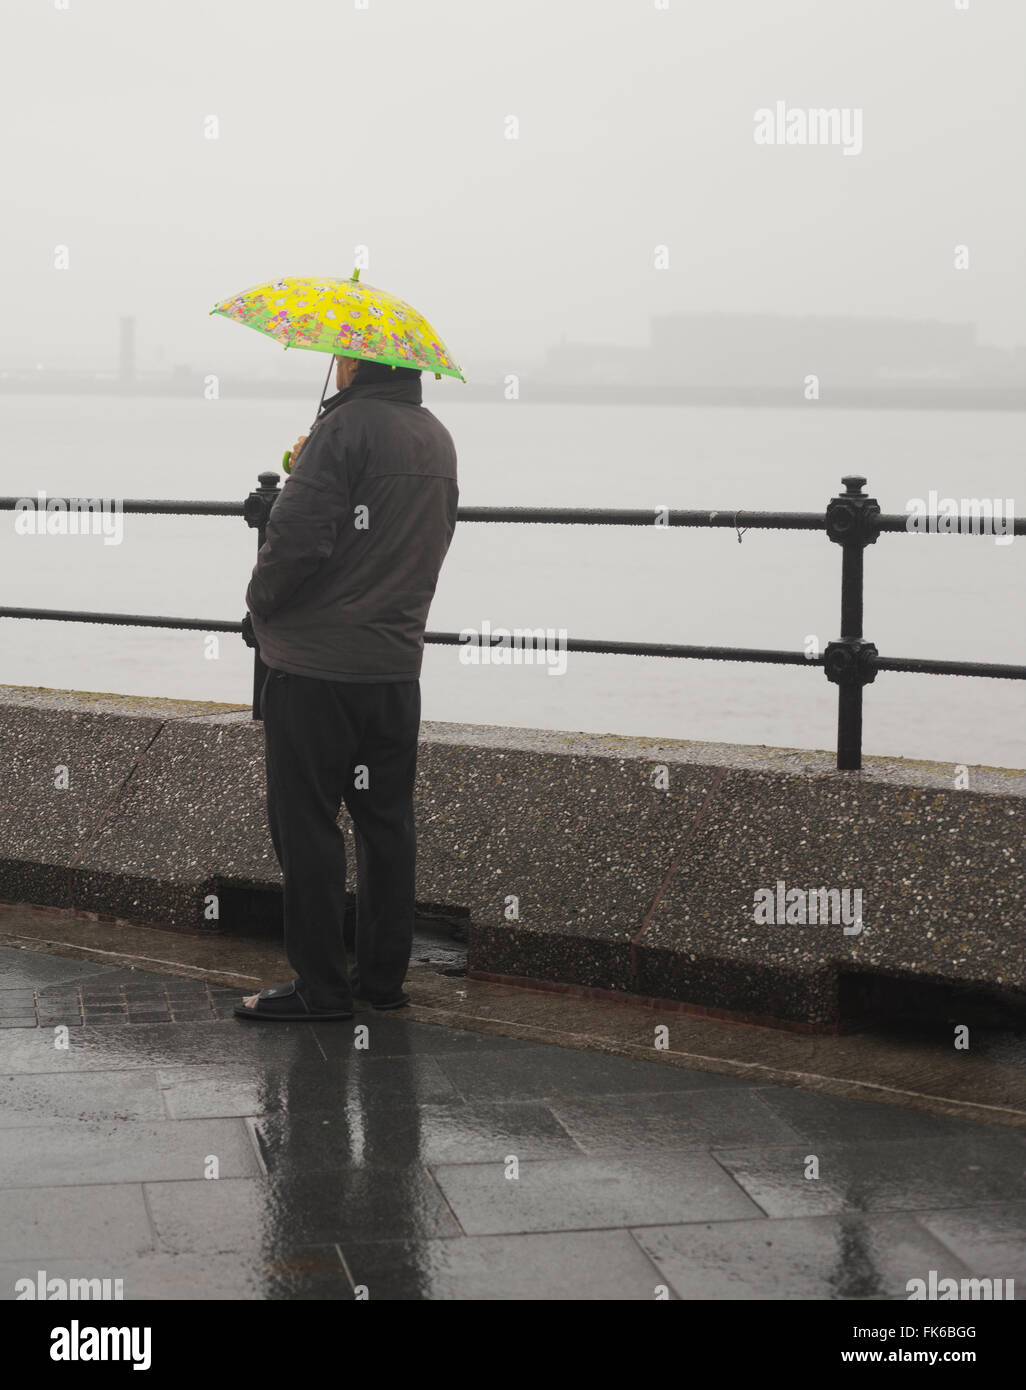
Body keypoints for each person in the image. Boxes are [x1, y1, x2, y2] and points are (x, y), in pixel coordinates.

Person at [234, 352, 458, 1021]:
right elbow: (424, 536)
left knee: (306, 827)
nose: (334, 365)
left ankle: (320, 988)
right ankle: (382, 984)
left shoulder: (343, 430)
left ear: (356, 361)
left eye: (339, 355)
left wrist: (260, 598)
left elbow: (297, 544)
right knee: (386, 826)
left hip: (315, 670)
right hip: (393, 669)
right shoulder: (436, 436)